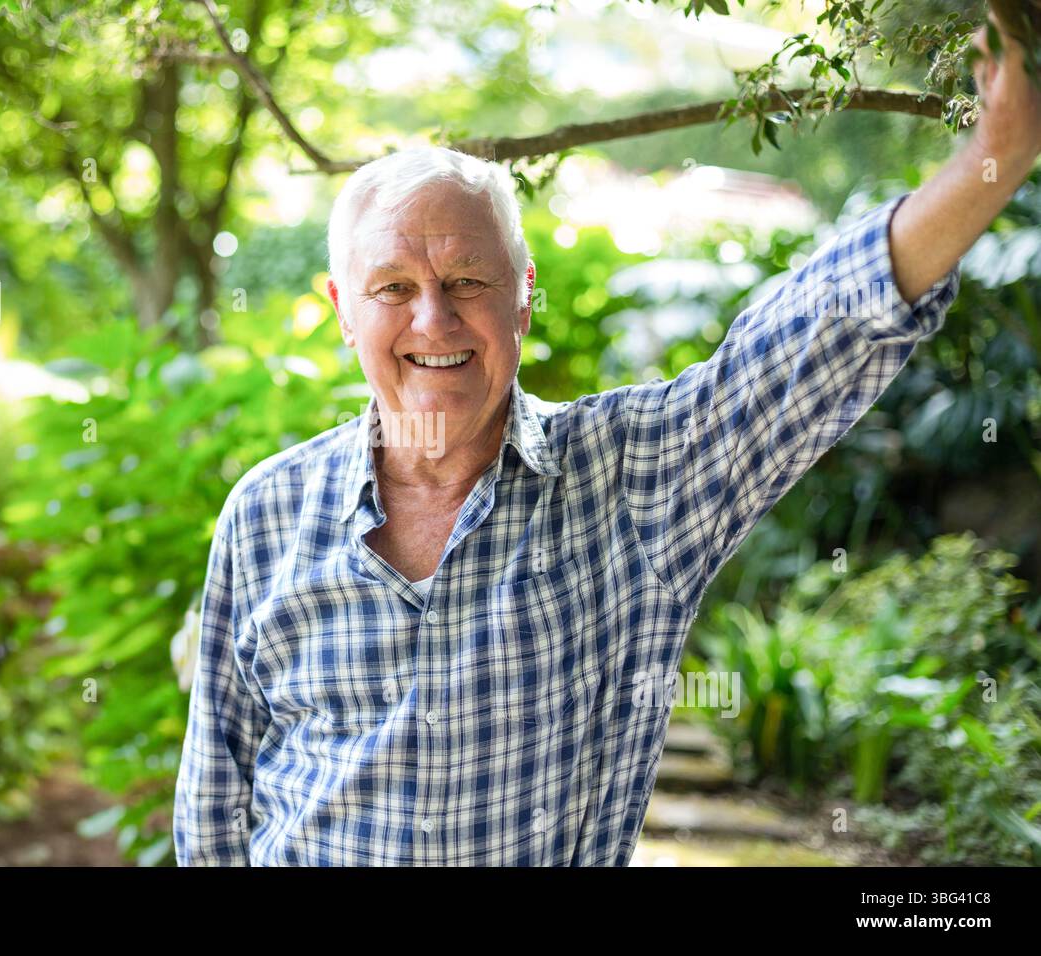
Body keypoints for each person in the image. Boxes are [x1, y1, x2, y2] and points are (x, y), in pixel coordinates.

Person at [174, 20, 1040, 865]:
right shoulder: (266, 512)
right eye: (393, 286)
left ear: (522, 297)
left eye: (468, 280)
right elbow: (215, 810)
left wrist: (993, 154)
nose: (433, 318)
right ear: (340, 309)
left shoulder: (630, 481)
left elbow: (809, 346)